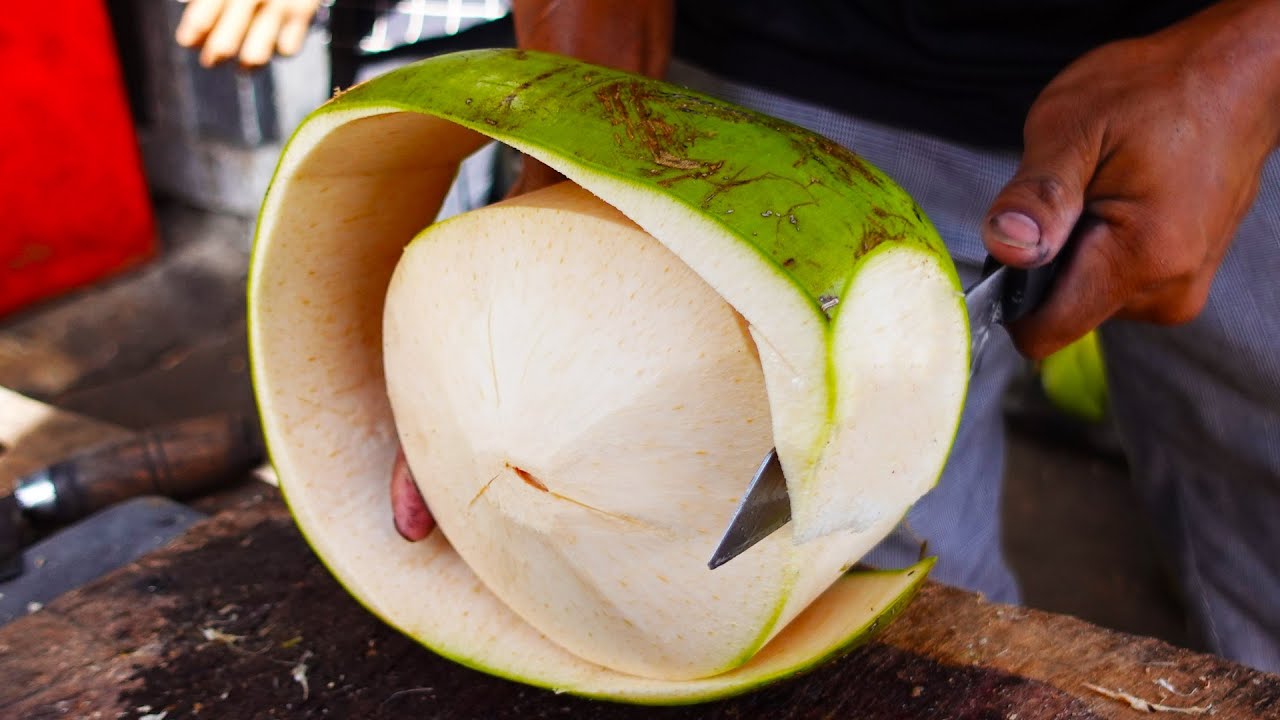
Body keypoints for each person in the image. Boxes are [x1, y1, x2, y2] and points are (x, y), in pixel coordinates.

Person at [178, 0, 1280, 672]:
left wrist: (1256, 58)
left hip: (1227, 61)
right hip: (766, 82)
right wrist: (498, 338)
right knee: (890, 610)